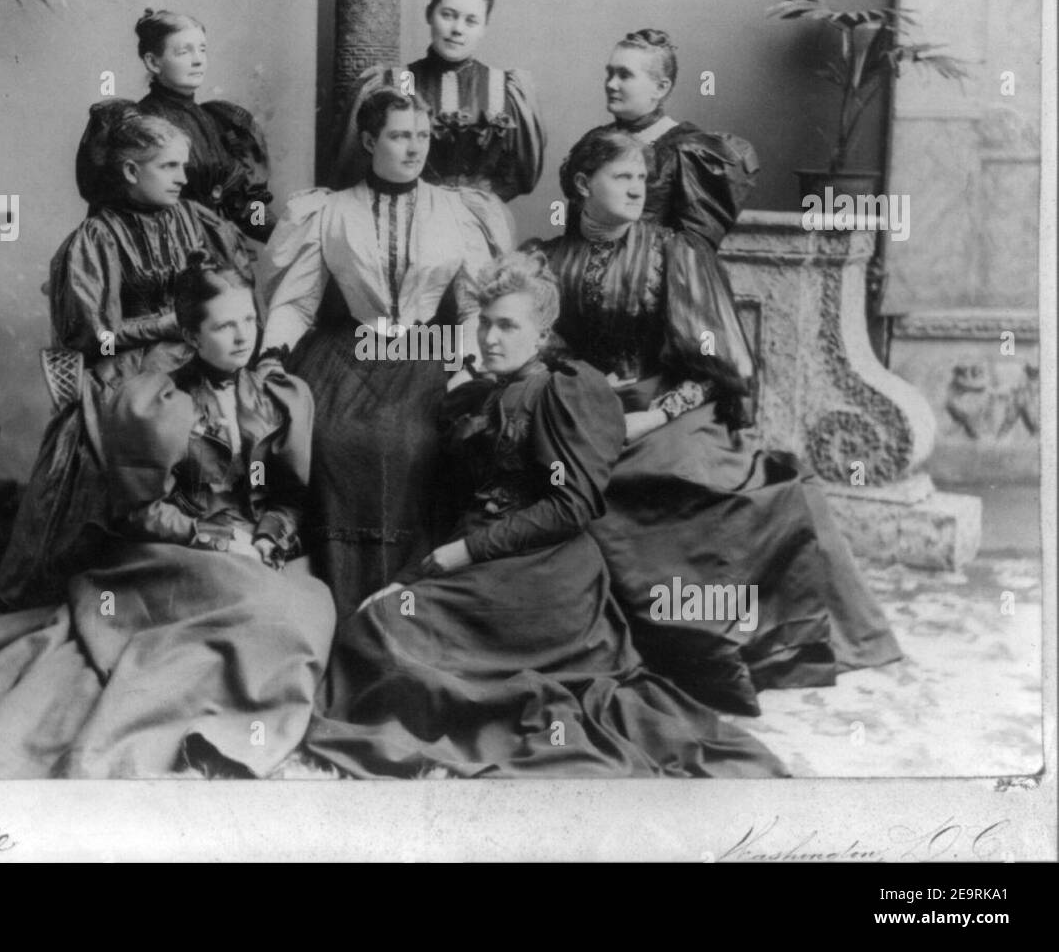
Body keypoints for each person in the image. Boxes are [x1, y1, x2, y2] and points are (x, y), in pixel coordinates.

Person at [302, 250, 787, 778]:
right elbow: (463, 507)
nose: (490, 337)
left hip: (545, 578)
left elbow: (568, 506)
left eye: (507, 326)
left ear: (541, 334)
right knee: (375, 622)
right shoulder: (483, 396)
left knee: (385, 636)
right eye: (485, 323)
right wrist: (412, 576)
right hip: (494, 568)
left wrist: (460, 553)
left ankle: (480, 716)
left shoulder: (561, 392)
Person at [0, 258, 335, 778]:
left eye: (248, 320)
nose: (242, 337)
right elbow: (141, 512)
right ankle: (178, 726)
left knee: (311, 609)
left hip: (255, 550)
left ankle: (221, 713)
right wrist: (217, 542)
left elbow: (286, 496)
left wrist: (267, 539)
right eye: (223, 325)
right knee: (259, 610)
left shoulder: (279, 396)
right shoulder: (157, 403)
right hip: (173, 553)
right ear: (192, 337)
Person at [533, 114, 902, 717]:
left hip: (675, 404)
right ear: (580, 185)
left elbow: (715, 364)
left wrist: (651, 418)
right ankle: (645, 645)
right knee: (581, 486)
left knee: (711, 479)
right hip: (584, 408)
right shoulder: (547, 260)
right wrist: (590, 392)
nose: (636, 189)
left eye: (641, 177)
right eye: (620, 176)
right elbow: (540, 347)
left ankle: (736, 640)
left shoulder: (673, 254)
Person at [259, 86, 511, 619]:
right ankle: (338, 597)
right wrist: (271, 356)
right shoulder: (329, 211)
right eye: (400, 135)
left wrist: (466, 367)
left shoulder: (457, 211)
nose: (415, 147)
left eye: (422, 135)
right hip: (348, 349)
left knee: (414, 439)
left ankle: (407, 599)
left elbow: (471, 308)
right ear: (370, 140)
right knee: (329, 437)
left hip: (431, 349)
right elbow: (297, 302)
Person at [0, 104, 239, 606]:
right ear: (131, 171)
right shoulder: (96, 238)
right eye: (168, 167)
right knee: (136, 435)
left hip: (198, 351)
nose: (182, 177)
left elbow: (231, 285)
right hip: (126, 365)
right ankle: (134, 576)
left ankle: (221, 560)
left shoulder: (195, 221)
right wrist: (171, 323)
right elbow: (93, 334)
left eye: (183, 166)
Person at [327, 0, 545, 227]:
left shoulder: (503, 86)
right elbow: (354, 167)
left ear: (484, 27)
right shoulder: (401, 81)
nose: (457, 29)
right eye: (448, 15)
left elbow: (523, 175)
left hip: (482, 224)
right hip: (407, 221)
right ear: (430, 14)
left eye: (471, 20)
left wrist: (480, 200)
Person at [80, 7, 273, 249]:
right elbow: (110, 215)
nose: (198, 59)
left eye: (203, 49)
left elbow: (250, 211)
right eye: (184, 51)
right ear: (153, 62)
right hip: (157, 262)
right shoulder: (133, 125)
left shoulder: (223, 123)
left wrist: (290, 234)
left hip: (217, 257)